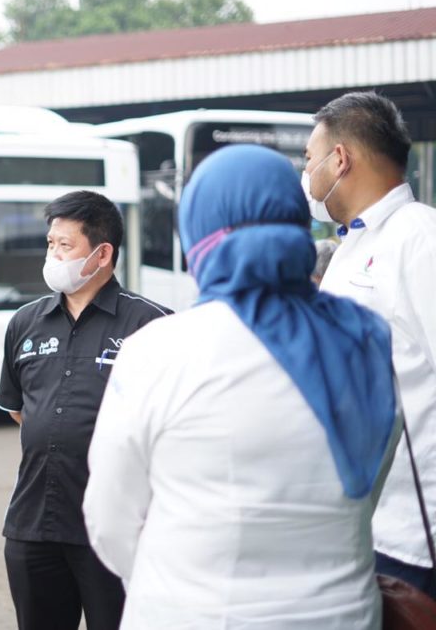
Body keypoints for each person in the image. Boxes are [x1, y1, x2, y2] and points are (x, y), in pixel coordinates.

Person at [84, 144, 400, 629]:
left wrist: (169, 579)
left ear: (199, 233)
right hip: (343, 615)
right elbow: (365, 492)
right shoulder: (366, 340)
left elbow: (110, 520)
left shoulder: (158, 350)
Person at [0, 190, 170, 630]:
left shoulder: (152, 325)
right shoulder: (25, 324)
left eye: (65, 245)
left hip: (116, 529)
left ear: (102, 252)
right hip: (33, 526)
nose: (53, 254)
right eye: (50, 244)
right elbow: (21, 412)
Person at [307, 91, 436, 595]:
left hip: (414, 537)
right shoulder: (352, 245)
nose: (308, 175)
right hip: (363, 525)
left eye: (309, 159)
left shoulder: (420, 239)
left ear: (340, 159)